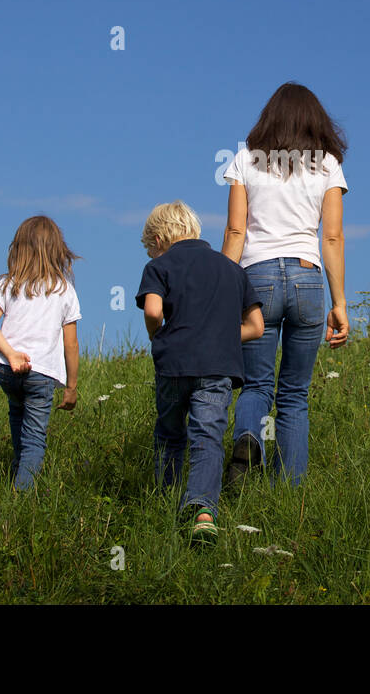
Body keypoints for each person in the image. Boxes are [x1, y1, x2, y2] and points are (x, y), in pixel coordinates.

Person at [221, 82, 349, 487]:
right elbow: (331, 238)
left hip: (256, 277)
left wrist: (221, 292)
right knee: (295, 394)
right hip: (307, 279)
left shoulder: (245, 159)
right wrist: (340, 302)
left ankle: (247, 438)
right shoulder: (327, 164)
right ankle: (288, 494)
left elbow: (235, 231)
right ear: (316, 122)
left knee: (256, 383)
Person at [136, 201, 263, 542]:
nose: (152, 252)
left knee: (169, 435)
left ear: (160, 238)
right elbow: (256, 326)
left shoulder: (160, 266)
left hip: (174, 364)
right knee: (207, 437)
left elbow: (152, 310)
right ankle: (203, 513)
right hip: (217, 367)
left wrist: (157, 333)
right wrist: (218, 333)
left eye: (151, 247)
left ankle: (167, 501)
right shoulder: (232, 270)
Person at [0, 216, 81, 491]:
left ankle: (17, 473)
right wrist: (71, 387)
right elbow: (70, 344)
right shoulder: (64, 290)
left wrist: (11, 354)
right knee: (34, 437)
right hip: (42, 372)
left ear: (19, 248)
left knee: (17, 419)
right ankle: (22, 499)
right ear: (57, 250)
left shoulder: (7, 283)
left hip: (8, 370)